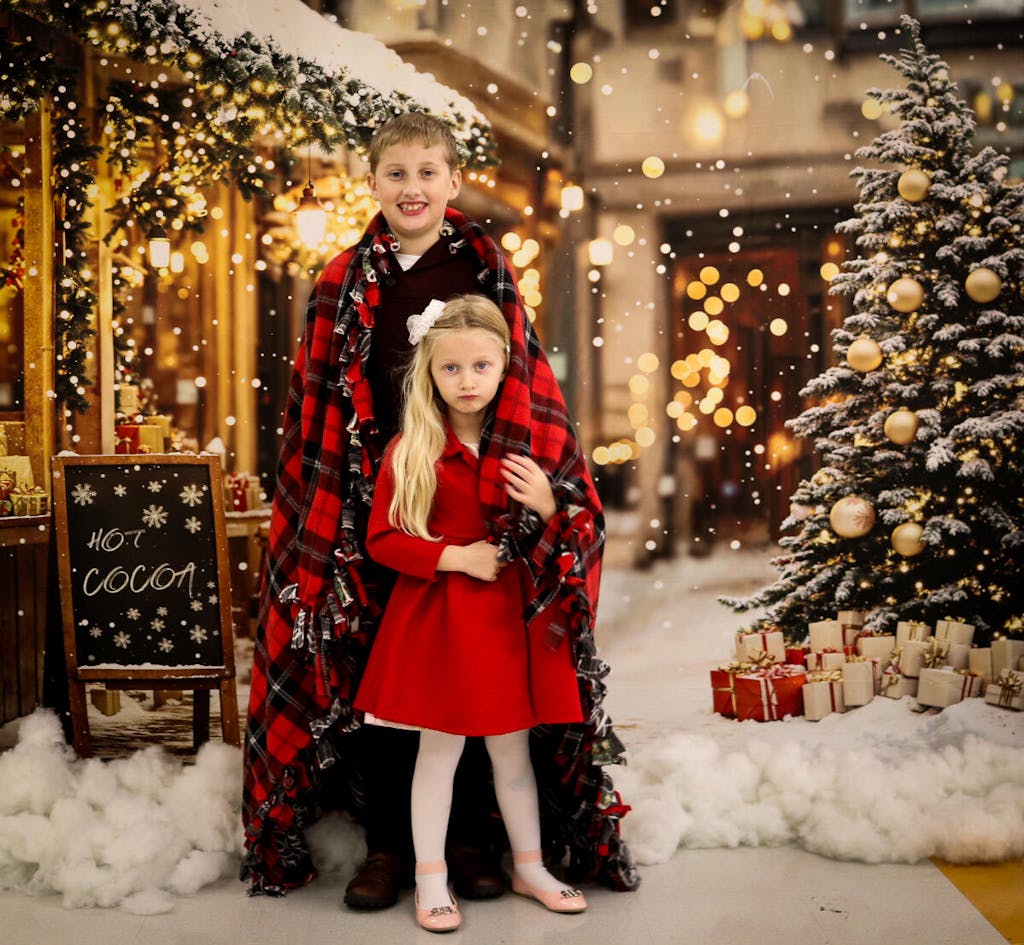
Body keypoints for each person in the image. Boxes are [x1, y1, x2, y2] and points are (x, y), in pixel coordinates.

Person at [241, 111, 638, 905]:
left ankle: (474, 843)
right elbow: (313, 406)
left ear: (454, 183)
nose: (412, 188)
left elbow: (523, 383)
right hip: (373, 498)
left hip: (472, 490)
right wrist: (329, 500)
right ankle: (391, 847)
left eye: (428, 172)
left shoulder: (484, 268)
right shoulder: (340, 280)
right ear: (374, 184)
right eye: (396, 174)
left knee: (486, 678)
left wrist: (533, 494)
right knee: (386, 683)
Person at [354, 296, 588, 931]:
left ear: (506, 367)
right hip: (444, 622)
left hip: (510, 624)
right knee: (441, 752)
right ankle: (431, 877)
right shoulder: (414, 449)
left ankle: (529, 865)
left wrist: (544, 504)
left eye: (481, 367)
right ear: (430, 371)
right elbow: (383, 539)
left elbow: (577, 527)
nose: (466, 382)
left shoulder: (529, 446)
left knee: (513, 753)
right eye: (451, 368)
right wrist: (455, 557)